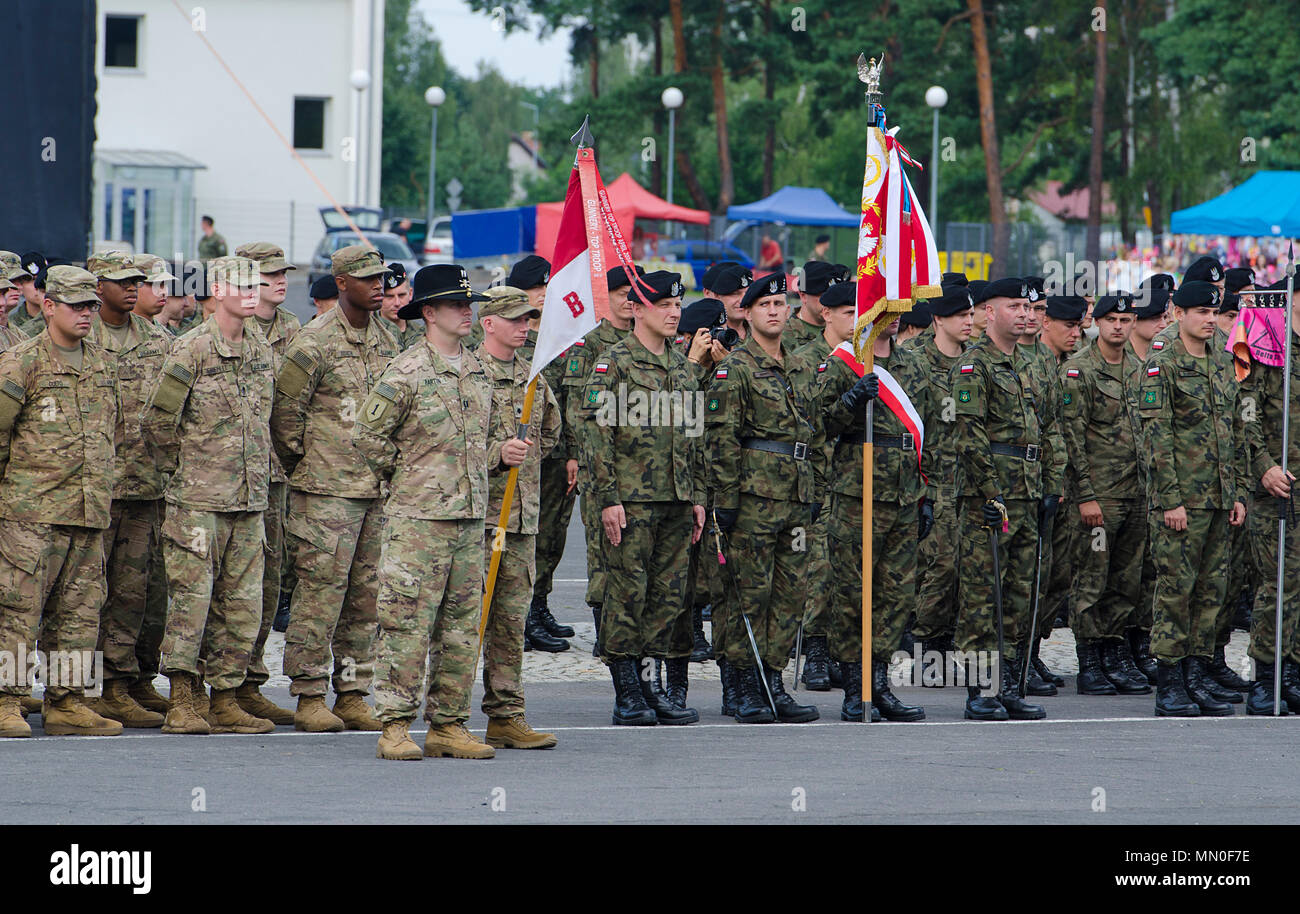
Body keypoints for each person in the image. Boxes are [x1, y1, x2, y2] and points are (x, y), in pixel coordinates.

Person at [352, 264, 529, 761]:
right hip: (419, 521)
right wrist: (407, 477)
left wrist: (500, 455)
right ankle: (394, 724)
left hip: (471, 520)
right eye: (456, 305)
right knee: (406, 623)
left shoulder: (477, 371)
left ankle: (449, 723)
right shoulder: (406, 371)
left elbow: (483, 439)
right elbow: (366, 438)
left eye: (469, 305)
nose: (467, 313)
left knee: (460, 627)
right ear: (429, 313)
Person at [142, 255, 277, 735]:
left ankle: (225, 698)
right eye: (240, 285)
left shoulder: (261, 348)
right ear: (216, 291)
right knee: (191, 601)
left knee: (242, 602)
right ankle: (182, 697)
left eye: (254, 285)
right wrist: (188, 471)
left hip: (248, 500)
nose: (251, 293)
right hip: (198, 503)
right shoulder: (192, 349)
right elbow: (157, 422)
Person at [271, 245, 399, 733]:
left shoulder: (388, 339)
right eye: (367, 278)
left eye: (381, 278)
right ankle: (307, 695)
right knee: (319, 596)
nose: (378, 286)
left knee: (366, 600)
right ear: (341, 283)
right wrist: (307, 463)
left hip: (376, 491)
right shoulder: (312, 343)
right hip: (324, 491)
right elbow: (285, 415)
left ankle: (352, 691)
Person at [0, 266, 122, 738]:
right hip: (30, 514)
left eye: (92, 305)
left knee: (82, 611)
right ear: (49, 306)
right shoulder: (19, 362)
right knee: (16, 611)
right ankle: (7, 699)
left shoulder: (102, 363)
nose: (87, 314)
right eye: (77, 306)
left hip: (88, 511)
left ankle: (68, 701)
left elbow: (114, 432)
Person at [582, 272, 704, 725]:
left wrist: (697, 495)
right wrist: (608, 498)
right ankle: (627, 693)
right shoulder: (613, 363)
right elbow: (595, 434)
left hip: (675, 499)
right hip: (630, 502)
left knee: (666, 599)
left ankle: (652, 688)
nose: (674, 313)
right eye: (664, 305)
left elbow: (695, 436)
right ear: (637, 308)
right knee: (627, 595)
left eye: (677, 305)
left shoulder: (683, 367)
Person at [706, 271, 822, 724]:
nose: (774, 312)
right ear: (748, 314)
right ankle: (744, 687)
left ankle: (773, 681)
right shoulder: (734, 368)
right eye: (764, 306)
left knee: (790, 595)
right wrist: (726, 499)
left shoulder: (800, 364)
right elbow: (722, 438)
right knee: (748, 595)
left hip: (795, 497)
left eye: (780, 305)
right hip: (753, 500)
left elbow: (813, 430)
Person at [949, 276, 1065, 721]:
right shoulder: (973, 364)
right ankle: (982, 690)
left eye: (1029, 307)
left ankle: (1011, 684)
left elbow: (1052, 427)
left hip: (1030, 492)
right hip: (991, 496)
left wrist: (1051, 485)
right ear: (988, 312)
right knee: (984, 595)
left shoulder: (1034, 364)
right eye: (1014, 306)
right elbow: (968, 432)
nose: (1025, 314)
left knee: (1021, 593)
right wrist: (989, 490)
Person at [1138, 280, 1248, 717]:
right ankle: (1169, 682)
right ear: (1179, 313)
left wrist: (1237, 491)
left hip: (1219, 498)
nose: (1208, 319)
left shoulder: (1221, 360)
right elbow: (1155, 436)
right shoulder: (1162, 363)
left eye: (1213, 311)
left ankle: (1196, 675)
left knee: (1210, 592)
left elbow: (1233, 429)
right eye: (1200, 312)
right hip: (1183, 499)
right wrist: (1170, 501)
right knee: (1175, 592)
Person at [818, 296, 928, 723]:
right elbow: (819, 423)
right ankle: (854, 688)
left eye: (900, 311)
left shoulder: (912, 365)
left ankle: (879, 684)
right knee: (853, 594)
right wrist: (849, 403)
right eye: (888, 308)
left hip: (903, 495)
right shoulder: (845, 363)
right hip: (857, 494)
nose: (896, 318)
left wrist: (928, 495)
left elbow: (928, 432)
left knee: (895, 596)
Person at [84, 252, 173, 728]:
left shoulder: (158, 339)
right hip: (89, 489)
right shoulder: (77, 336)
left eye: (136, 280)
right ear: (97, 287)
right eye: (121, 281)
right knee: (81, 595)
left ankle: (120, 683)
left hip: (143, 485)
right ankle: (76, 689)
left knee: (134, 592)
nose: (133, 288)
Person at [474, 287, 562, 747]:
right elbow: (446, 444)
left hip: (521, 518)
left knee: (510, 621)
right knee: (462, 621)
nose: (524, 326)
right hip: (476, 518)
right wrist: (495, 454)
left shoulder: (534, 377)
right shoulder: (468, 374)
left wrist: (523, 463)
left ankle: (506, 714)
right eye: (514, 319)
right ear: (488, 323)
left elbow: (550, 431)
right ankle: (444, 714)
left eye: (528, 319)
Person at [1059, 293, 1153, 696]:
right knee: (1092, 578)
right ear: (1096, 322)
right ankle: (1089, 659)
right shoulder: (1079, 371)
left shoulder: (1142, 369)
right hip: (1099, 495)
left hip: (1136, 495)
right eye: (1110, 319)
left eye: (1126, 319)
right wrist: (1085, 496)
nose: (1118, 326)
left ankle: (1114, 653)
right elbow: (1071, 440)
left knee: (1126, 580)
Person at [232, 241, 302, 727]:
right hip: (230, 478)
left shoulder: (294, 329)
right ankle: (222, 685)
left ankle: (251, 679)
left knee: (268, 581)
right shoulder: (229, 329)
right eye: (268, 275)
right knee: (229, 586)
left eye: (282, 273)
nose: (279, 281)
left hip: (276, 474)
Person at [564, 265, 640, 654]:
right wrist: (578, 455)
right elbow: (580, 408)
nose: (629, 301)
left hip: (643, 471)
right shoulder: (590, 342)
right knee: (602, 548)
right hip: (602, 464)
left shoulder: (647, 341)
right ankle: (604, 630)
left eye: (635, 294)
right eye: (621, 293)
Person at [506, 255, 577, 651]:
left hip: (556, 450)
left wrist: (570, 452)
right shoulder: (519, 340)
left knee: (553, 534)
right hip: (525, 451)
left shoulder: (557, 334)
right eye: (539, 289)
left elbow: (565, 400)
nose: (546, 295)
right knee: (528, 537)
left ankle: (540, 603)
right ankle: (525, 612)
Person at [789, 272, 854, 691]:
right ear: (826, 314)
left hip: (852, 480)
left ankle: (836, 649)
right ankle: (813, 652)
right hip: (814, 479)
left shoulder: (868, 359)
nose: (856, 320)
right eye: (849, 313)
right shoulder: (804, 357)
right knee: (817, 569)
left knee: (846, 571)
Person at [907, 285, 975, 670]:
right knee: (939, 566)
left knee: (967, 567)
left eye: (970, 315)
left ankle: (949, 639)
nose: (969, 322)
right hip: (931, 482)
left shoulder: (978, 361)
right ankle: (923, 639)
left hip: (970, 480)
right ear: (938, 320)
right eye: (960, 316)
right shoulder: (916, 362)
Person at [1241, 280, 1300, 714]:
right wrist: (1264, 466)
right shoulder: (1268, 342)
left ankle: (1293, 673)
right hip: (1279, 486)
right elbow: (1245, 414)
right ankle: (1266, 676)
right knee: (1279, 584)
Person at [786, 261, 844, 350]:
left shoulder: (843, 330)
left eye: (833, 295)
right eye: (823, 295)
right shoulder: (784, 336)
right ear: (803, 296)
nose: (829, 301)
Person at [377, 263, 423, 349]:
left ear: (410, 294)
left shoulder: (423, 333)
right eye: (389, 296)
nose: (397, 303)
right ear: (380, 296)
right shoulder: (371, 331)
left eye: (401, 295)